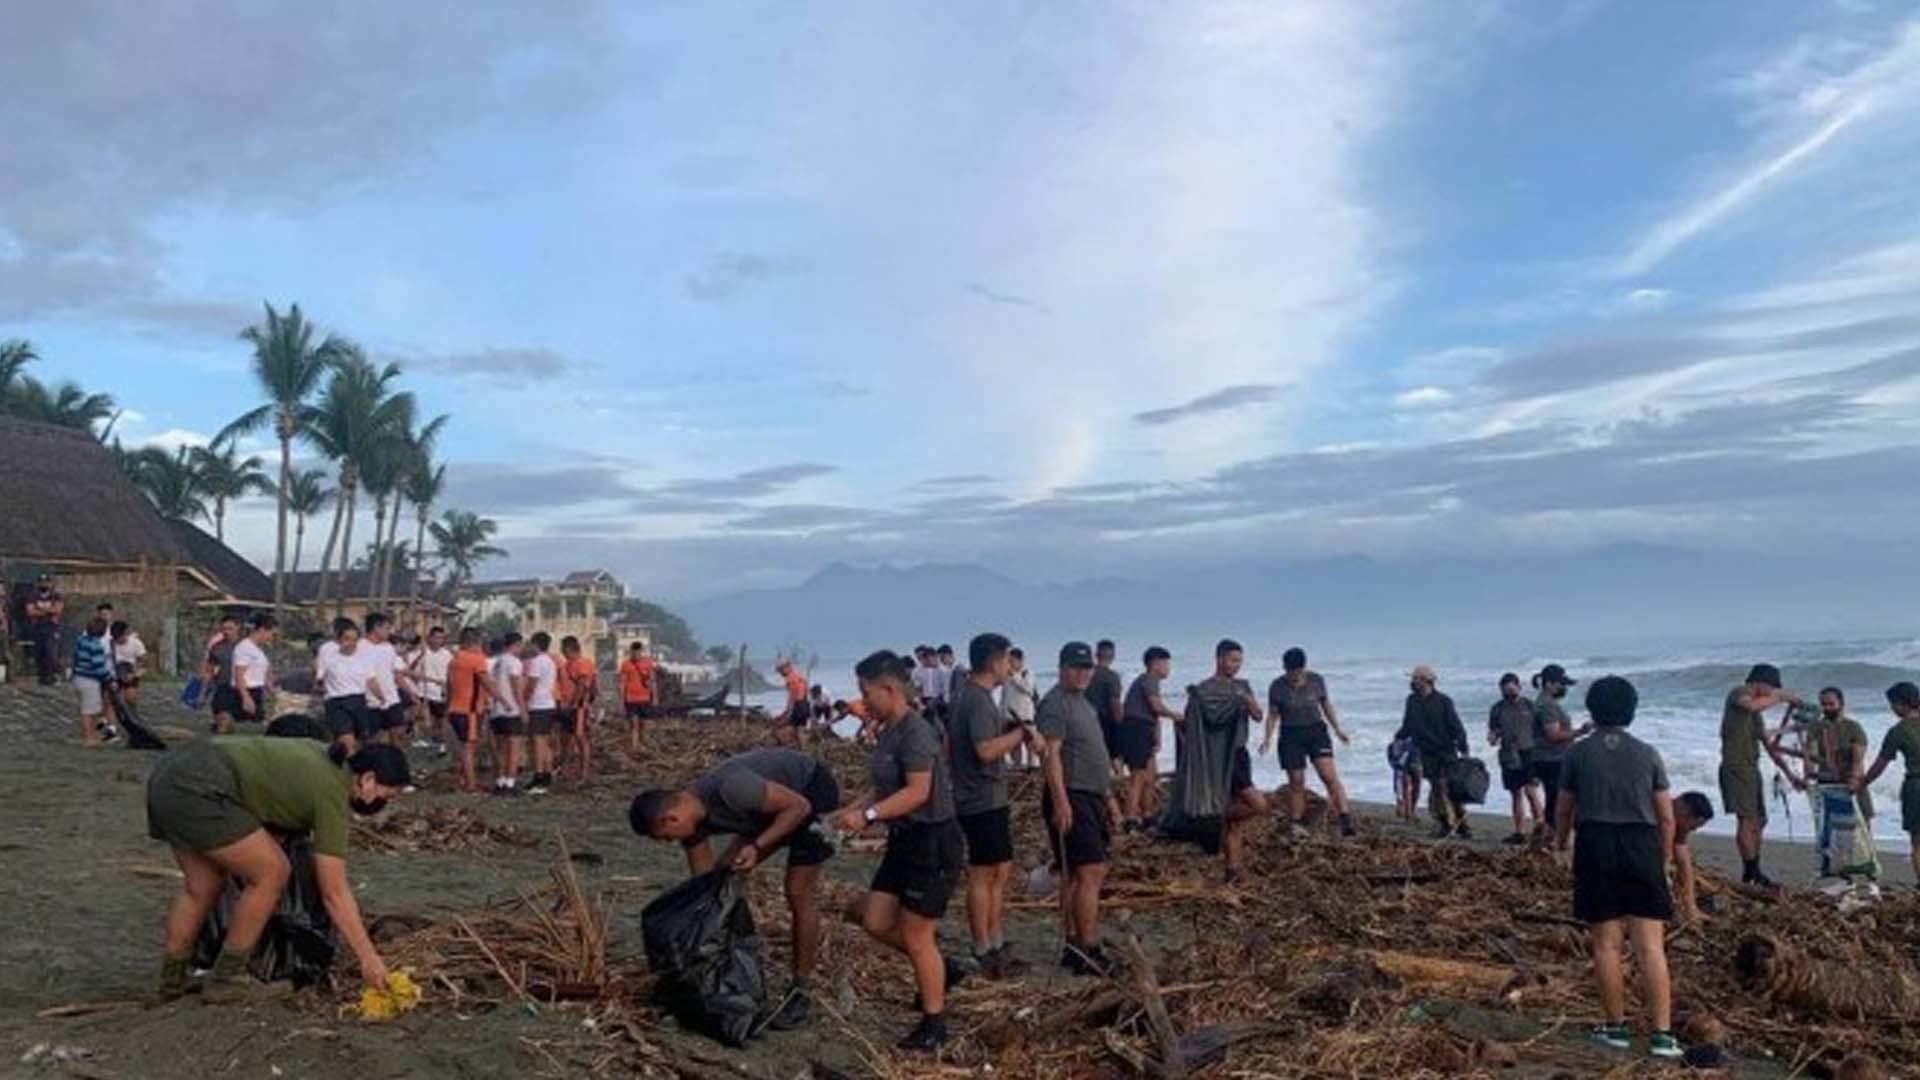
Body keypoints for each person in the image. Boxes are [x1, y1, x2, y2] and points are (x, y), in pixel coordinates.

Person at [145, 734, 409, 1002]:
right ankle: (227, 978)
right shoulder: (333, 795)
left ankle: (171, 983)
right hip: (202, 788)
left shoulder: (324, 757)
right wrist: (368, 957)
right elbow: (334, 891)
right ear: (368, 779)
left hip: (171, 776)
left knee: (203, 887)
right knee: (272, 873)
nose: (382, 803)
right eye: (387, 795)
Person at [632, 747, 841, 1029]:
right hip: (767, 810)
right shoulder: (691, 825)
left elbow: (798, 807)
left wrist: (757, 846)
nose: (672, 842)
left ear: (672, 818)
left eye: (667, 837)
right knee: (725, 875)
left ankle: (801, 989)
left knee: (797, 890)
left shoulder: (732, 789)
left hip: (810, 793)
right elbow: (706, 886)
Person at [832, 650, 965, 1052]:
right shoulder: (888, 730)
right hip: (903, 839)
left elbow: (918, 792)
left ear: (889, 688)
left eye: (866, 692)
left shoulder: (916, 732)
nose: (863, 700)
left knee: (917, 934)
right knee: (875, 920)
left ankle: (934, 1025)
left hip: (933, 840)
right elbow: (885, 787)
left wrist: (869, 816)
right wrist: (850, 810)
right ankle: (943, 968)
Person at [1553, 674, 1682, 1060]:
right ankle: (1662, 1035)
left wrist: (1561, 843)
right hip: (1641, 842)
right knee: (1650, 946)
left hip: (1595, 841)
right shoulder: (1647, 753)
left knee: (1606, 944)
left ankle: (1616, 1028)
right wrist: (1665, 858)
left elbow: (1563, 807)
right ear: (1631, 710)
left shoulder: (1577, 753)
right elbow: (1666, 817)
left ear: (1592, 709)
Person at [947, 632, 1033, 979]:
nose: (1010, 667)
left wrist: (1011, 728)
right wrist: (1021, 735)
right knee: (984, 873)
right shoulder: (977, 699)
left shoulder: (971, 696)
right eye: (1007, 660)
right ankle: (983, 946)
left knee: (1000, 869)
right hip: (979, 797)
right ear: (995, 662)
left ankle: (995, 940)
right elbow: (984, 750)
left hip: (985, 795)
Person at [1037, 641, 1115, 975]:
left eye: (1087, 668)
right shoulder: (1055, 703)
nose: (1082, 674)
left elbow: (1094, 751)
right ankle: (1089, 947)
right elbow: (1051, 755)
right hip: (1072, 795)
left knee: (1075, 874)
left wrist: (1109, 798)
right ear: (1062, 668)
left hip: (1091, 795)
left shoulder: (1083, 702)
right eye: (1076, 668)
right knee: (1089, 872)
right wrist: (1061, 801)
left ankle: (1072, 945)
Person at [1719, 663, 1804, 886]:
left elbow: (1769, 746)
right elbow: (1749, 705)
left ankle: (1754, 866)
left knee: (1760, 819)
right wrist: (1780, 697)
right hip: (1735, 766)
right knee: (1746, 819)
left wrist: (1790, 774)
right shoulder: (1739, 693)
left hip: (1750, 768)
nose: (1771, 693)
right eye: (1771, 688)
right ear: (1760, 683)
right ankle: (1751, 871)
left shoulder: (1756, 715)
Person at [1261, 647, 1356, 838]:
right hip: (1290, 734)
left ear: (1304, 668)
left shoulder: (1316, 680)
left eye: (1298, 671)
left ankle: (1345, 818)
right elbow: (1272, 714)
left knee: (1328, 775)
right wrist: (1267, 739)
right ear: (1285, 668)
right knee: (1296, 781)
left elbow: (1326, 705)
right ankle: (1297, 821)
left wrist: (1337, 729)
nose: (1294, 675)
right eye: (1290, 671)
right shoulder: (1277, 686)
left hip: (1315, 731)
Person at [1397, 665, 1470, 838]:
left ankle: (1459, 823)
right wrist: (1398, 737)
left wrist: (1463, 746)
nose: (1412, 682)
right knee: (1437, 787)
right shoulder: (1412, 701)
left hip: (1445, 750)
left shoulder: (1444, 701)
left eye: (1415, 679)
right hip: (1426, 752)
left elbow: (1455, 725)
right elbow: (1408, 724)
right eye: (1412, 679)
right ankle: (1448, 823)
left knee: (1447, 787)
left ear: (1427, 681)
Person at [1857, 682, 1920, 879]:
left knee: (1917, 842)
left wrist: (1862, 783)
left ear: (1901, 704)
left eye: (1892, 704)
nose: (1892, 709)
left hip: (1915, 787)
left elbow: (1880, 765)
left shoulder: (1898, 731)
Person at [1118, 647, 1180, 830]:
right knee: (1138, 776)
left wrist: (1157, 735)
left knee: (1151, 776)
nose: (1168, 668)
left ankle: (1148, 815)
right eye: (1166, 664)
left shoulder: (1149, 682)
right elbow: (1156, 707)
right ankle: (1130, 818)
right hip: (1137, 730)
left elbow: (1153, 714)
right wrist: (1176, 716)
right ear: (1155, 664)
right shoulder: (1148, 680)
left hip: (1144, 729)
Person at [1531, 664, 1587, 831]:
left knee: (1554, 798)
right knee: (1557, 799)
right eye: (1561, 684)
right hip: (1552, 759)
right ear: (1549, 684)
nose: (1564, 688)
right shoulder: (1548, 705)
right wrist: (1581, 731)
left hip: (1546, 758)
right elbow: (1554, 735)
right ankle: (1554, 834)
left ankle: (1552, 833)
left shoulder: (1544, 702)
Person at [1489, 673, 1544, 844]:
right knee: (1515, 793)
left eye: (1511, 690)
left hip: (1529, 752)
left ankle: (1540, 827)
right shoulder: (1497, 708)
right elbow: (1493, 730)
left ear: (1519, 687)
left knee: (1531, 791)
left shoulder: (1530, 705)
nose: (1509, 694)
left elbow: (1541, 729)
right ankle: (1519, 831)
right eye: (1505, 691)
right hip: (1508, 753)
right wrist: (1493, 737)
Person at [317, 620, 379, 751]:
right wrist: (320, 687)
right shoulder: (328, 656)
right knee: (347, 742)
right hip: (337, 703)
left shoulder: (364, 658)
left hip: (358, 702)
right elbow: (319, 677)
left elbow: (371, 681)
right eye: (347, 639)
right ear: (338, 640)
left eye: (354, 640)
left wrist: (382, 698)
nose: (351, 643)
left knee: (362, 743)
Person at [444, 627, 493, 794]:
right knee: (469, 748)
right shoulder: (477, 660)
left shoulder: (454, 661)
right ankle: (471, 785)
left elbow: (449, 686)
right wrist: (503, 700)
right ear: (476, 642)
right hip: (470, 710)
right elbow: (487, 683)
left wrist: (447, 709)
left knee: (466, 747)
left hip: (455, 709)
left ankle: (463, 779)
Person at [489, 632, 529, 795]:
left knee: (500, 749)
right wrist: (523, 709)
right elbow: (516, 688)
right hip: (511, 710)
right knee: (514, 748)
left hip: (496, 710)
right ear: (517, 644)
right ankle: (510, 783)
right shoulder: (514, 662)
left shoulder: (496, 662)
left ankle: (499, 781)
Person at [522, 632, 561, 794]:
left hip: (538, 705)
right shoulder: (550, 661)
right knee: (544, 741)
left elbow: (531, 685)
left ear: (535, 644)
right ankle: (547, 774)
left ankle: (539, 776)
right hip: (548, 704)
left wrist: (523, 700)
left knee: (538, 742)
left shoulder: (537, 662)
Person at [359, 614, 405, 749]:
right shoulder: (360, 647)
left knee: (398, 734)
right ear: (376, 628)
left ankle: (396, 758)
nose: (389, 631)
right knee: (372, 740)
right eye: (387, 628)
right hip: (371, 702)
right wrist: (380, 697)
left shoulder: (388, 648)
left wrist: (409, 691)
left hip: (392, 699)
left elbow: (395, 672)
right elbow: (368, 679)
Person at [1670, 792, 1714, 925]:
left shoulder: (1679, 822)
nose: (1693, 830)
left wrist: (1690, 905)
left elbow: (1684, 861)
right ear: (1684, 814)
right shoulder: (1656, 811)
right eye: (1693, 826)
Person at [560, 636, 598, 781]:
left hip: (579, 706)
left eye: (563, 649)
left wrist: (574, 703)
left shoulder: (584, 663)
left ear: (569, 649)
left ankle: (584, 771)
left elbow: (582, 685)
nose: (562, 652)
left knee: (580, 737)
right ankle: (567, 769)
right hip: (568, 706)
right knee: (566, 738)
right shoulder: (567, 664)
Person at [230, 614, 277, 729]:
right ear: (262, 630)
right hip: (246, 692)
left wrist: (273, 692)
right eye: (271, 634)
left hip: (257, 692)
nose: (271, 638)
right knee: (247, 727)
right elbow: (239, 675)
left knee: (258, 726)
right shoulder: (244, 648)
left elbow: (262, 675)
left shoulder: (258, 650)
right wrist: (245, 697)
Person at [71, 615, 113, 745]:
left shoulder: (81, 640)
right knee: (89, 711)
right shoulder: (96, 645)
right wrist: (109, 679)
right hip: (90, 679)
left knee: (87, 708)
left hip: (78, 677)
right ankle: (88, 737)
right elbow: (98, 666)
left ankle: (91, 734)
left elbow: (75, 657)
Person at [1088, 639, 1125, 773]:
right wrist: (1122, 724)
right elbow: (1115, 703)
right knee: (1115, 758)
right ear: (1113, 655)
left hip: (1086, 721)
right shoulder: (1112, 677)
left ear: (1096, 655)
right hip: (1106, 722)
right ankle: (1118, 781)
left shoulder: (1087, 674)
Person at [415, 626, 453, 754]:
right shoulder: (422, 653)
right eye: (436, 637)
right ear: (429, 638)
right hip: (424, 692)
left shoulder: (447, 654)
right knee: (427, 722)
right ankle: (426, 745)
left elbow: (451, 672)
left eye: (441, 638)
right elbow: (412, 671)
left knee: (440, 721)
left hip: (440, 693)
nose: (438, 640)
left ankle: (440, 745)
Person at [1001, 648, 1039, 770]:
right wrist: (1001, 713)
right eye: (1009, 661)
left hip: (1025, 716)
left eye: (1012, 661)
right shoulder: (1006, 676)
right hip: (1010, 717)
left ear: (1020, 661)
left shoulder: (1028, 673)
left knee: (1030, 745)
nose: (1010, 664)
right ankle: (1017, 767)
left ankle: (1032, 768)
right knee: (1014, 746)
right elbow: (1004, 696)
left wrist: (1014, 676)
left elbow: (1028, 688)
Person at [204, 614, 242, 732]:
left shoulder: (246, 646)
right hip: (223, 685)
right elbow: (210, 668)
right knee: (221, 714)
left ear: (238, 628)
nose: (226, 632)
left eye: (230, 628)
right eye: (224, 629)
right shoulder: (217, 647)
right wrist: (204, 687)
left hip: (241, 687)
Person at [619, 642, 657, 754]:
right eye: (634, 652)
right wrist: (621, 699)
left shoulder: (648, 663)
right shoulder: (626, 664)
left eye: (638, 652)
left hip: (644, 698)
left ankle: (642, 743)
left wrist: (655, 697)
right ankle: (634, 746)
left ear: (641, 651)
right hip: (630, 698)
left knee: (643, 724)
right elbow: (622, 683)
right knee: (633, 724)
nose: (636, 654)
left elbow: (652, 681)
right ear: (631, 652)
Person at [26, 575, 65, 684]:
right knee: (39, 653)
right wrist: (48, 611)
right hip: (37, 628)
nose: (44, 584)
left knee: (51, 652)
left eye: (46, 582)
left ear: (50, 584)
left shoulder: (56, 596)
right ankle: (42, 677)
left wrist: (39, 610)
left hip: (52, 628)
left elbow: (57, 610)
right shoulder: (32, 596)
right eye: (41, 582)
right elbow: (30, 612)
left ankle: (53, 675)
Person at [110, 620, 148, 707]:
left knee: (130, 698)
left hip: (130, 671)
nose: (118, 640)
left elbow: (144, 661)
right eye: (116, 638)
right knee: (115, 700)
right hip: (115, 672)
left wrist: (135, 674)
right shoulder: (111, 644)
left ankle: (131, 713)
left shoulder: (135, 643)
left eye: (120, 637)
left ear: (125, 634)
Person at [777, 659, 810, 746]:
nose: (781, 674)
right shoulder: (799, 675)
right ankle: (802, 746)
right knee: (800, 729)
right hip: (805, 704)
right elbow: (806, 690)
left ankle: (801, 747)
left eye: (781, 671)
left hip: (799, 705)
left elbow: (792, 697)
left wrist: (789, 711)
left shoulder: (790, 679)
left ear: (787, 668)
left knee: (796, 729)